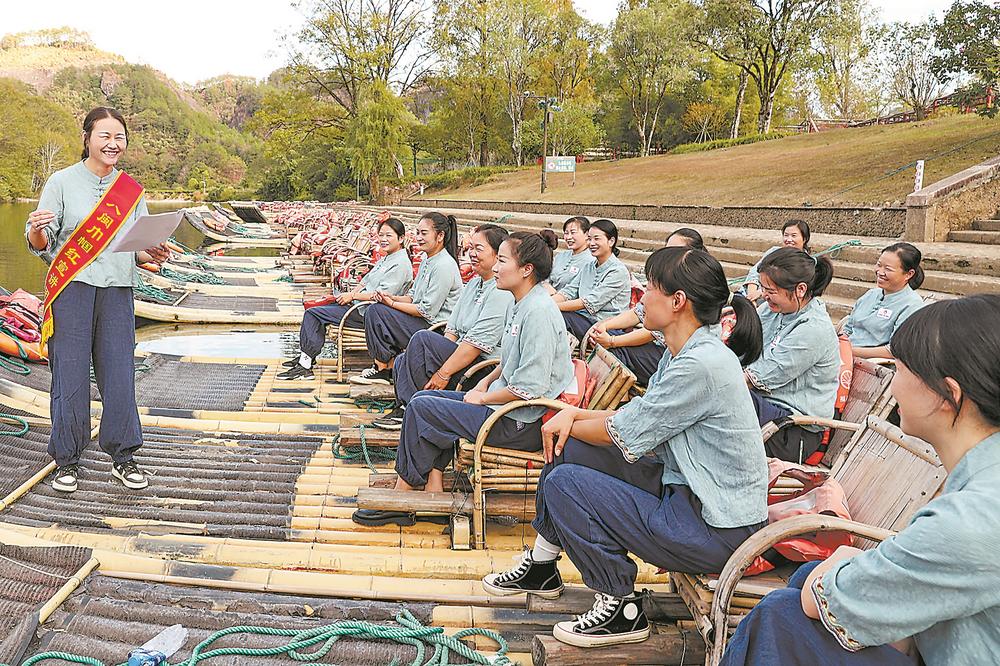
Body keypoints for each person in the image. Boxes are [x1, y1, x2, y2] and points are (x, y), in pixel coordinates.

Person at [481, 246, 768, 648]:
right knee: (567, 448)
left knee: (567, 484)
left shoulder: (700, 364)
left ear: (677, 302)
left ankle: (620, 605)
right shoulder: (684, 351)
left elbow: (625, 432)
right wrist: (570, 417)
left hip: (714, 527)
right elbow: (635, 416)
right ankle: (543, 565)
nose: (641, 297)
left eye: (649, 288)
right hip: (685, 493)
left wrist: (571, 418)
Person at [722, 294, 1000, 666]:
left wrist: (844, 558)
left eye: (900, 370)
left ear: (948, 395)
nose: (893, 385)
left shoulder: (971, 519)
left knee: (784, 614)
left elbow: (823, 599)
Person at [352, 231, 574, 527]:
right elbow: (509, 362)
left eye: (503, 261)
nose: (496, 267)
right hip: (503, 407)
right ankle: (425, 485)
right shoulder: (523, 303)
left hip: (516, 423)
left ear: (526, 270)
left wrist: (484, 397)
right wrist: (486, 382)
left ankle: (404, 492)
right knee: (422, 399)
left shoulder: (538, 312)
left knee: (423, 408)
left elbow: (528, 388)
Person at [25, 107, 170, 494]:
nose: (113, 143)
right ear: (87, 137)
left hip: (117, 290)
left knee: (119, 375)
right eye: (104, 135)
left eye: (119, 137)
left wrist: (150, 253)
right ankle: (67, 461)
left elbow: (134, 248)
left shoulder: (130, 191)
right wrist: (38, 232)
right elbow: (42, 244)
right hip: (71, 289)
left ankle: (123, 457)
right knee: (70, 376)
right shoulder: (60, 182)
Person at [371, 224, 513, 430]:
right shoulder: (475, 283)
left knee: (422, 340)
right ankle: (407, 406)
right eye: (470, 248)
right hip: (462, 355)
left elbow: (476, 345)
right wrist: (438, 358)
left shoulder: (501, 292)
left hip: (481, 368)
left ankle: (411, 411)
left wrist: (443, 373)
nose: (471, 254)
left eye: (478, 249)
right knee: (404, 358)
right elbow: (453, 328)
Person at [278, 217, 412, 380]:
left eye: (388, 236)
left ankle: (305, 365)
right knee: (315, 310)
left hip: (369, 314)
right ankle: (306, 358)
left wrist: (353, 296)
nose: (383, 239)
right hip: (358, 306)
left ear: (401, 238)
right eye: (381, 235)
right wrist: (349, 295)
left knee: (313, 314)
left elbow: (381, 296)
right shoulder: (387, 258)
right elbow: (365, 281)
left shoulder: (400, 264)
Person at [744, 248, 840, 463]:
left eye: (770, 290)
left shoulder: (814, 328)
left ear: (800, 289)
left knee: (720, 394)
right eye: (762, 288)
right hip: (764, 408)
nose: (764, 295)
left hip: (792, 429)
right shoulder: (771, 310)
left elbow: (758, 377)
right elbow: (743, 342)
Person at [349, 212, 463, 385]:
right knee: (378, 308)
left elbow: (426, 311)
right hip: (421, 320)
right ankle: (385, 365)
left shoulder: (444, 265)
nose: (418, 238)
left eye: (424, 233)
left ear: (440, 236)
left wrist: (392, 304)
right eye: (417, 233)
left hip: (435, 329)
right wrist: (391, 298)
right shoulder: (427, 259)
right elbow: (412, 297)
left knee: (376, 311)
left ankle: (383, 368)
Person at [585, 228, 707, 385]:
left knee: (616, 350)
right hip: (663, 350)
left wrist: (613, 341)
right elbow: (638, 312)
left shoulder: (690, 288)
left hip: (674, 353)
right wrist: (605, 325)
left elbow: (654, 331)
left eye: (675, 251)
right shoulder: (668, 279)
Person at [840, 242, 924, 360]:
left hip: (872, 365)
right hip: (844, 354)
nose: (880, 272)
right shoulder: (871, 294)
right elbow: (848, 327)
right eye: (879, 265)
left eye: (888, 269)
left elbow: (894, 350)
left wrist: (849, 351)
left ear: (908, 274)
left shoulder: (912, 305)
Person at [553, 219, 632, 341]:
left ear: (611, 241)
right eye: (589, 239)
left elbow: (589, 302)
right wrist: (546, 302)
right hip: (582, 320)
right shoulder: (589, 266)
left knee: (556, 315)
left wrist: (551, 306)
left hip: (604, 327)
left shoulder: (618, 271)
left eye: (596, 239)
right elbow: (568, 291)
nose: (591, 243)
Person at [742, 220, 811, 302]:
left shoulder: (806, 263)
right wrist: (751, 296)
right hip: (749, 295)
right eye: (786, 235)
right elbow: (755, 272)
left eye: (793, 236)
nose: (789, 239)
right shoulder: (774, 251)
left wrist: (760, 293)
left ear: (805, 238)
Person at [547, 216, 592, 293]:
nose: (568, 237)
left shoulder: (591, 261)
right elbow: (547, 277)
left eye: (573, 232)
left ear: (587, 234)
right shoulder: (561, 256)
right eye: (566, 233)